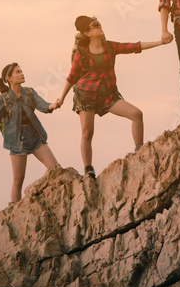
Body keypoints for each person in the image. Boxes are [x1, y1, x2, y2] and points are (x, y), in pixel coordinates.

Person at [50, 15, 167, 178]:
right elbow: (72, 76)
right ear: (88, 33)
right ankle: (88, 169)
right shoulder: (81, 52)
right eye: (95, 25)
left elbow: (134, 46)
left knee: (136, 114)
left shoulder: (110, 47)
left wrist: (160, 42)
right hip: (86, 95)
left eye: (99, 23)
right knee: (87, 132)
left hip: (108, 95)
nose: (100, 26)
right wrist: (61, 99)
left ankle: (139, 150)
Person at [0, 63, 60, 203]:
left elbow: (41, 104)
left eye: (21, 71)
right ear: (9, 78)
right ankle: (13, 211)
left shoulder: (29, 92)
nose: (22, 73)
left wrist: (52, 106)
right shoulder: (4, 99)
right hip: (17, 141)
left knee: (56, 169)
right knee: (18, 180)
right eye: (18, 72)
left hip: (35, 136)